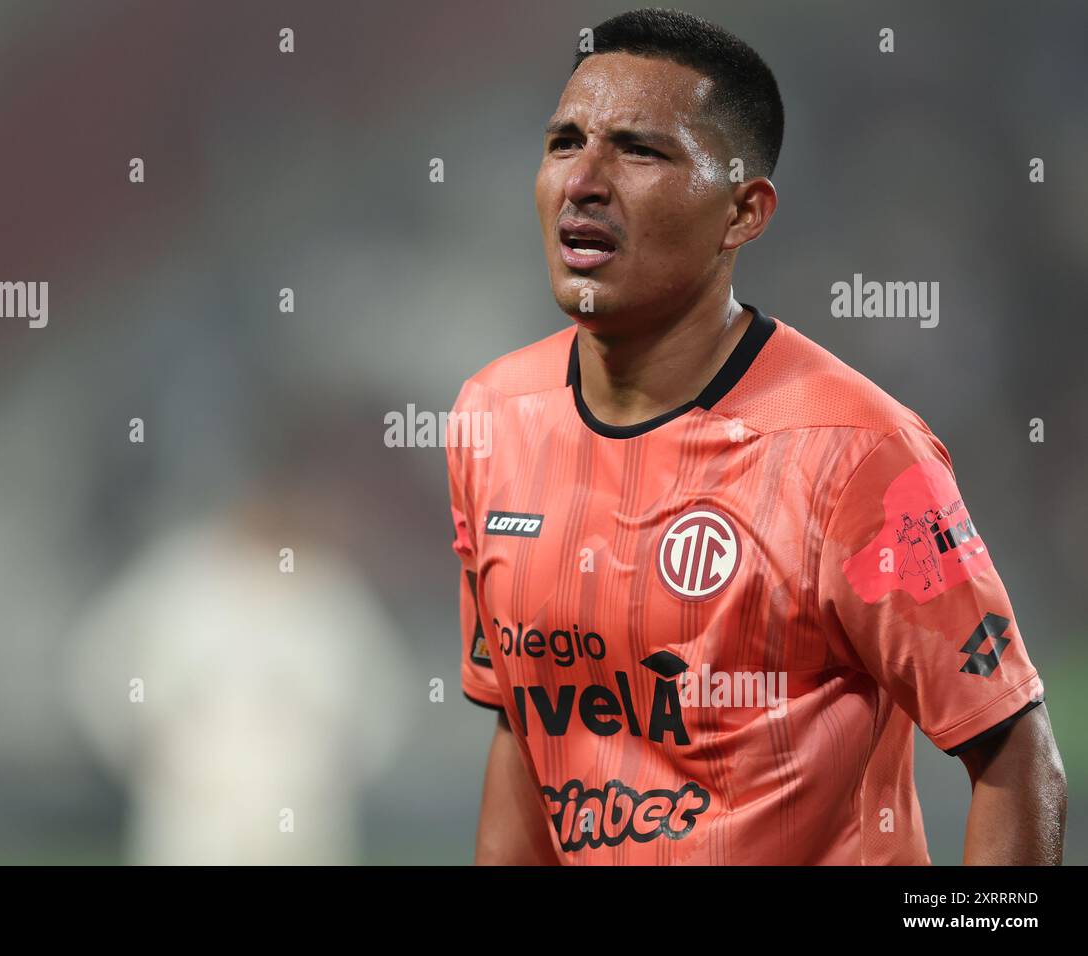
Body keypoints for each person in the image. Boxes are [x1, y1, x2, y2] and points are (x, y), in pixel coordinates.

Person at [445, 8, 1065, 864]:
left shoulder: (859, 453)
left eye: (639, 150)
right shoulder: (492, 417)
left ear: (744, 212)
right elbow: (524, 730)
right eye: (564, 142)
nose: (583, 179)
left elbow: (1014, 751)